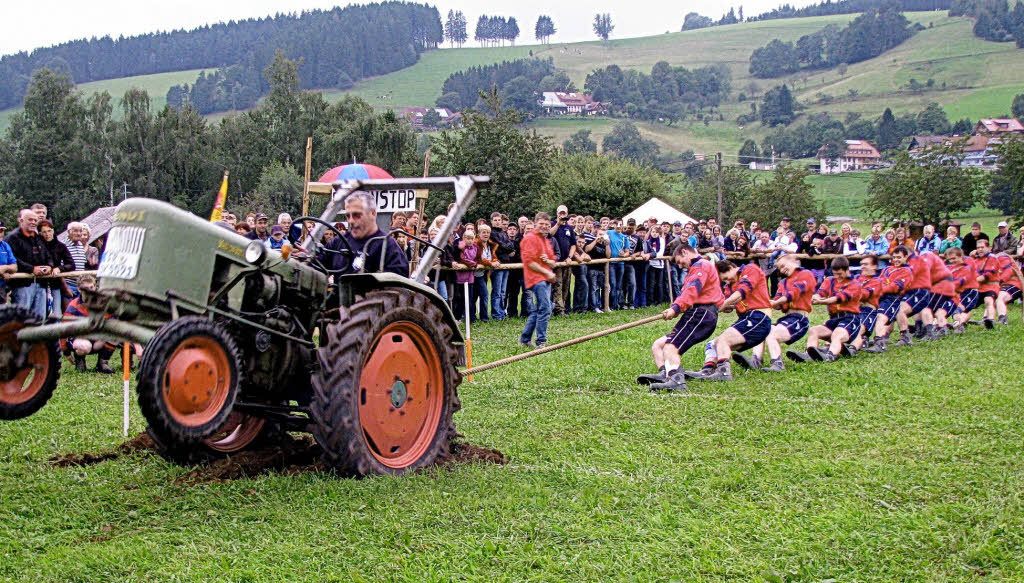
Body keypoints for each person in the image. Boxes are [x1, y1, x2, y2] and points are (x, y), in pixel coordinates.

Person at [642, 244, 724, 391]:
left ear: (685, 252)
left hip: (701, 314)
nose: (680, 266)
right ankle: (665, 372)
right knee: (659, 345)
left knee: (670, 347)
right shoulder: (696, 269)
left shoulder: (701, 266)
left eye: (680, 261)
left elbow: (692, 290)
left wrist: (676, 307)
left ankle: (676, 380)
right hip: (697, 312)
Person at [685, 260, 773, 381]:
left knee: (722, 340)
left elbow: (741, 292)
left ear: (732, 267)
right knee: (712, 344)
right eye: (724, 280)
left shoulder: (750, 269)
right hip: (745, 318)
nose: (727, 282)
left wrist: (724, 304)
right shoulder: (728, 287)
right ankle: (707, 370)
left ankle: (724, 372)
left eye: (726, 278)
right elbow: (721, 302)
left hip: (759, 317)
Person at [742, 255, 816, 373]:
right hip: (787, 317)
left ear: (792, 260)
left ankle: (777, 363)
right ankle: (756, 360)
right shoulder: (783, 282)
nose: (782, 270)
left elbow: (794, 293)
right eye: (780, 268)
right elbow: (777, 302)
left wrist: (775, 302)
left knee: (771, 331)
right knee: (763, 328)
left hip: (799, 318)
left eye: (783, 266)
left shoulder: (805, 274)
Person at [789, 256, 862, 363]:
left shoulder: (855, 284)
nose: (838, 277)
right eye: (835, 274)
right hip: (834, 320)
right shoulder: (829, 280)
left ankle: (830, 356)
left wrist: (821, 301)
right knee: (814, 330)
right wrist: (816, 297)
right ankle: (809, 354)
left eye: (840, 274)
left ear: (847, 270)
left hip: (850, 320)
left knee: (836, 334)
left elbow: (838, 299)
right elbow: (820, 293)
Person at [324, 192, 409, 277]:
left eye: (356, 215)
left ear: (372, 213)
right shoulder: (338, 242)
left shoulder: (389, 247)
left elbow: (399, 286)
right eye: (348, 216)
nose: (351, 221)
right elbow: (317, 267)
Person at [59, 275, 116, 374]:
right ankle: (80, 360)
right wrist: (66, 351)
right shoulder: (72, 307)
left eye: (91, 287)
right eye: (85, 289)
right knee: (84, 345)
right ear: (79, 289)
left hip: (98, 338)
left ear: (95, 287)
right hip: (82, 339)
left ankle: (103, 363)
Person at [863, 249, 914, 353]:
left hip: (892, 298)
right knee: (868, 315)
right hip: (881, 297)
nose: (896, 260)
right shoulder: (886, 269)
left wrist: (882, 288)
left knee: (881, 318)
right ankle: (863, 339)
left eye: (899, 257)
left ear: (905, 258)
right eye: (894, 257)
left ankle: (880, 343)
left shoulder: (906, 271)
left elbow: (896, 286)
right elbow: (879, 282)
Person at [5, 209, 52, 319]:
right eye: (30, 219)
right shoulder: (12, 238)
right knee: (21, 319)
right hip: (22, 285)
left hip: (41, 285)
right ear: (21, 221)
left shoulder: (38, 238)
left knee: (39, 319)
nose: (33, 222)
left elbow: (48, 255)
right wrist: (32, 269)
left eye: (35, 220)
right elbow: (12, 259)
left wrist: (49, 266)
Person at [519, 213, 557, 349]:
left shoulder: (546, 241)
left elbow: (553, 262)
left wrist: (548, 261)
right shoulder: (530, 238)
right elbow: (529, 262)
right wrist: (546, 271)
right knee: (546, 309)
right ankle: (541, 341)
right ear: (535, 224)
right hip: (536, 279)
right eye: (541, 224)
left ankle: (524, 339)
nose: (545, 227)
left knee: (539, 310)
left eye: (547, 225)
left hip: (546, 280)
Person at [38, 220, 75, 319]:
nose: (47, 234)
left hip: (56, 283)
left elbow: (71, 264)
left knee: (57, 312)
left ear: (53, 231)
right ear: (40, 233)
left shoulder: (60, 246)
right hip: (41, 284)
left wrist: (59, 268)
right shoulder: (38, 246)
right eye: (44, 232)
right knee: (41, 313)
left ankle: (56, 332)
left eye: (49, 231)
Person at [549, 205, 575, 316]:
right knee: (557, 286)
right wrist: (558, 223)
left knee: (566, 286)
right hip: (556, 262)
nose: (562, 215)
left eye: (564, 213)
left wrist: (570, 257)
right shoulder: (552, 224)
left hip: (566, 262)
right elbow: (549, 234)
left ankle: (562, 307)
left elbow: (573, 244)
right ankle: (558, 309)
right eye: (560, 213)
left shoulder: (569, 228)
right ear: (557, 213)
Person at [946, 247, 980, 333]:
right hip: (959, 292)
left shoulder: (968, 263)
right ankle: (960, 324)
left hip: (970, 291)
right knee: (963, 310)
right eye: (950, 259)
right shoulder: (951, 267)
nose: (952, 261)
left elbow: (964, 278)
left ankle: (959, 325)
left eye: (954, 258)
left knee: (957, 309)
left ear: (961, 256)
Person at [972, 239, 1004, 329]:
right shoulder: (976, 260)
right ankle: (960, 323)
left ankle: (990, 320)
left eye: (982, 247)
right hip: (979, 287)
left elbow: (987, 276)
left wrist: (970, 283)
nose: (980, 249)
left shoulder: (992, 258)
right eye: (978, 248)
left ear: (988, 248)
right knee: (968, 305)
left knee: (988, 300)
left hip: (991, 286)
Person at [489, 212, 514, 321]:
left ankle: (501, 312)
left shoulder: (504, 233)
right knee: (497, 291)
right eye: (495, 220)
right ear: (491, 221)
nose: (498, 222)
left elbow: (510, 245)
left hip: (506, 264)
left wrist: (507, 247)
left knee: (503, 291)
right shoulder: (492, 233)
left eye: (499, 220)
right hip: (497, 264)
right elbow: (500, 246)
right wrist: (507, 247)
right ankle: (496, 313)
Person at [0, 221, 16, 303]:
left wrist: (5, 268)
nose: (0, 234)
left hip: (1, 288)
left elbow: (14, 267)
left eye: (1, 231)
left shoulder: (5, 246)